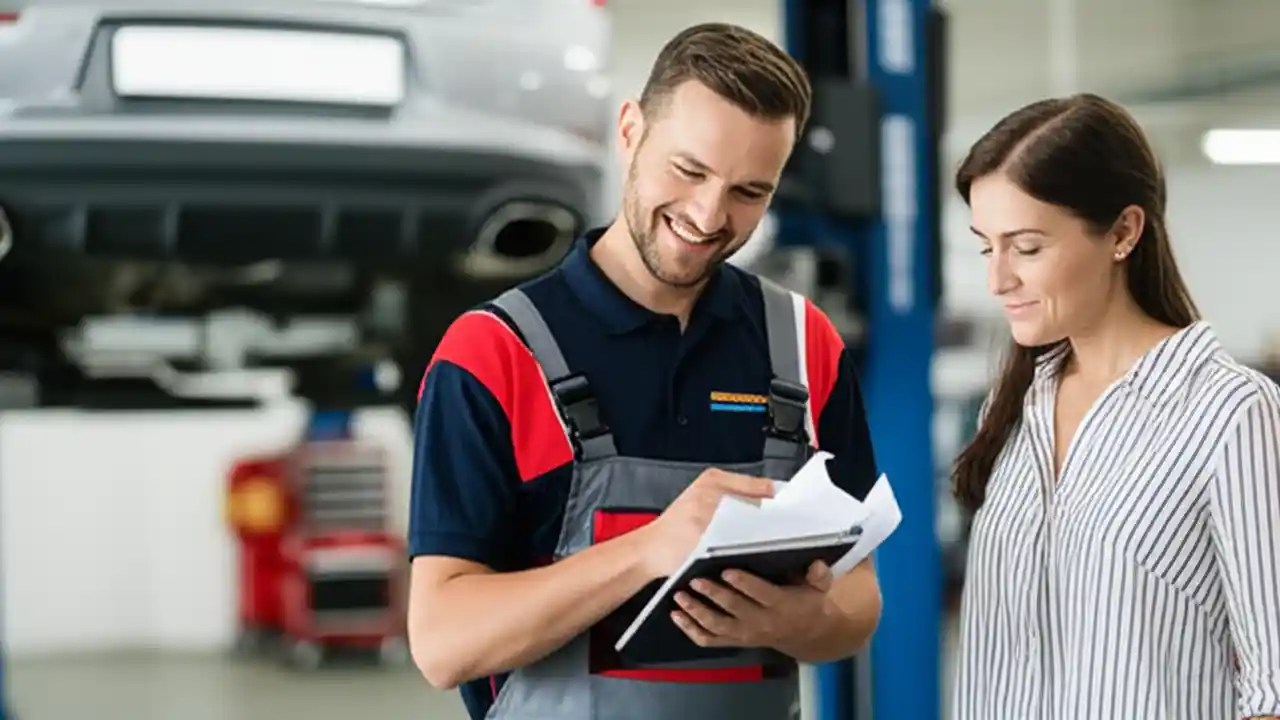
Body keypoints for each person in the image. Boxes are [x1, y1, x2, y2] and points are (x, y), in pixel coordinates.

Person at [405, 22, 884, 720]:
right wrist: (649, 550)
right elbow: (443, 642)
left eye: (750, 191)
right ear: (629, 130)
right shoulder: (493, 355)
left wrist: (787, 622)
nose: (708, 214)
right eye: (688, 171)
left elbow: (858, 598)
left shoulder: (805, 346)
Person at [949, 93, 1280, 720]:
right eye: (986, 246)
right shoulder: (1021, 402)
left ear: (1124, 233)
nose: (998, 280)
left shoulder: (1232, 414)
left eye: (1026, 247)